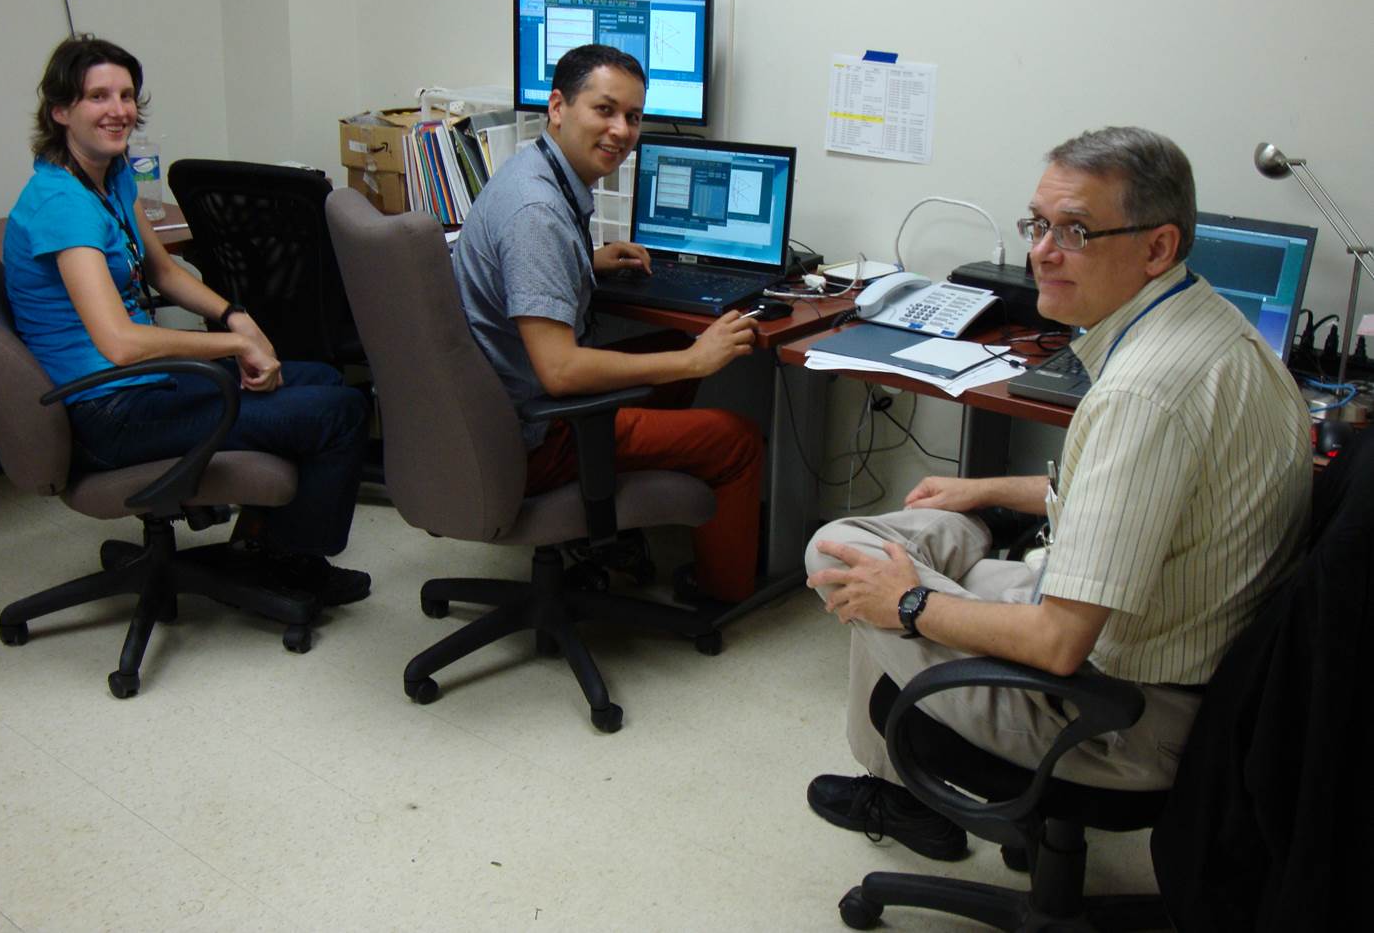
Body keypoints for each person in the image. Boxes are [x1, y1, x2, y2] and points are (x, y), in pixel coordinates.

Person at [803, 126, 1311, 861]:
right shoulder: (1215, 330)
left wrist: (912, 603)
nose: (1043, 250)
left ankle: (900, 788)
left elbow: (1057, 641)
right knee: (924, 544)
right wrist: (984, 489)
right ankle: (909, 744)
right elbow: (1143, 493)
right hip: (1189, 668)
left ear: (1158, 247)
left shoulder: (1144, 393)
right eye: (1038, 225)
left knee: (842, 553)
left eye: (1075, 230)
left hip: (1116, 716)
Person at [4, 35, 371, 608]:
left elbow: (162, 270)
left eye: (126, 95)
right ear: (60, 111)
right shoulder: (61, 204)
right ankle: (291, 564)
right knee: (342, 411)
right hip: (110, 411)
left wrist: (235, 316)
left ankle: (258, 542)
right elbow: (121, 343)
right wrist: (230, 345)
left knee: (319, 379)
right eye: (98, 96)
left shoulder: (106, 176)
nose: (118, 109)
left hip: (142, 387)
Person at [451, 44, 764, 603]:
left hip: (494, 406)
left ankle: (613, 526)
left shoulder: (534, 169)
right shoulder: (537, 214)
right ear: (557, 107)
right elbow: (560, 372)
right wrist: (695, 359)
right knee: (736, 440)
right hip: (535, 433)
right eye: (605, 110)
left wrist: (584, 262)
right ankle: (723, 598)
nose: (621, 130)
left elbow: (514, 269)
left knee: (675, 344)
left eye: (634, 116)